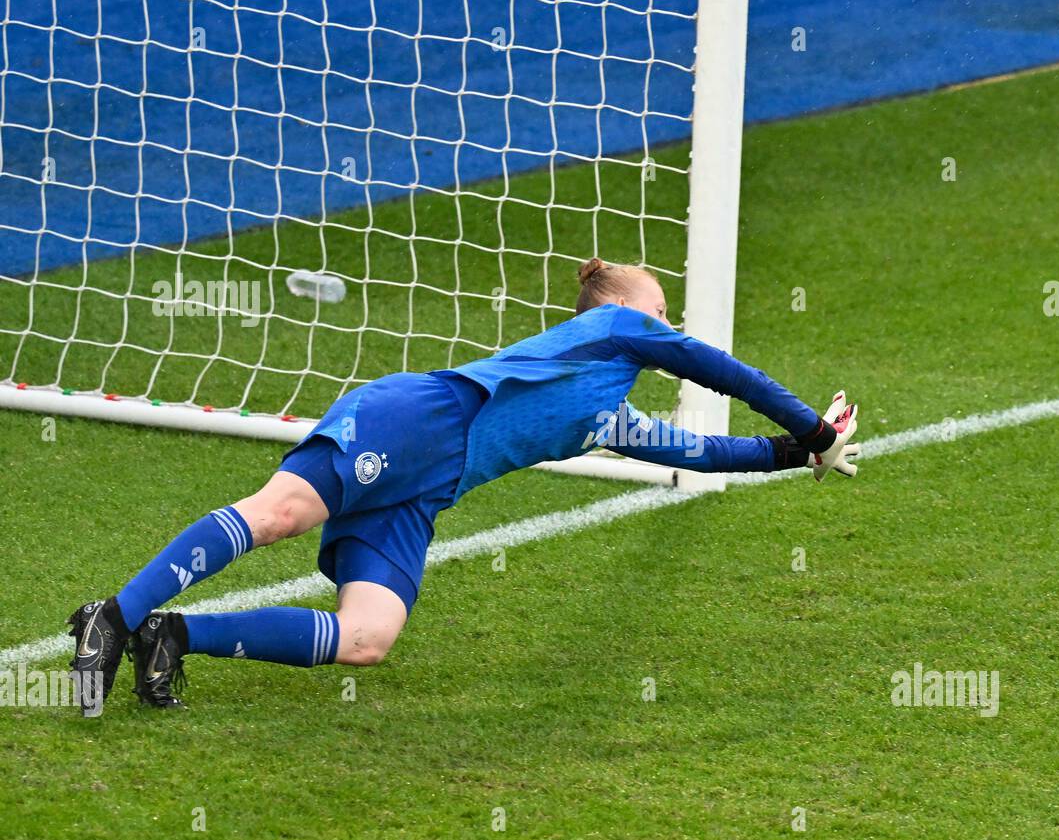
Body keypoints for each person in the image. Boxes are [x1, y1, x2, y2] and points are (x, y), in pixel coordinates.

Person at [66, 258, 859, 714]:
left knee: (368, 639)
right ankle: (113, 614)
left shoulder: (606, 417)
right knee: (277, 515)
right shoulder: (613, 330)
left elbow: (707, 450)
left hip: (424, 494)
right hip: (414, 421)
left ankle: (172, 634)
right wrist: (815, 430)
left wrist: (799, 453)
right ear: (621, 306)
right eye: (660, 305)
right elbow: (728, 372)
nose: (667, 319)